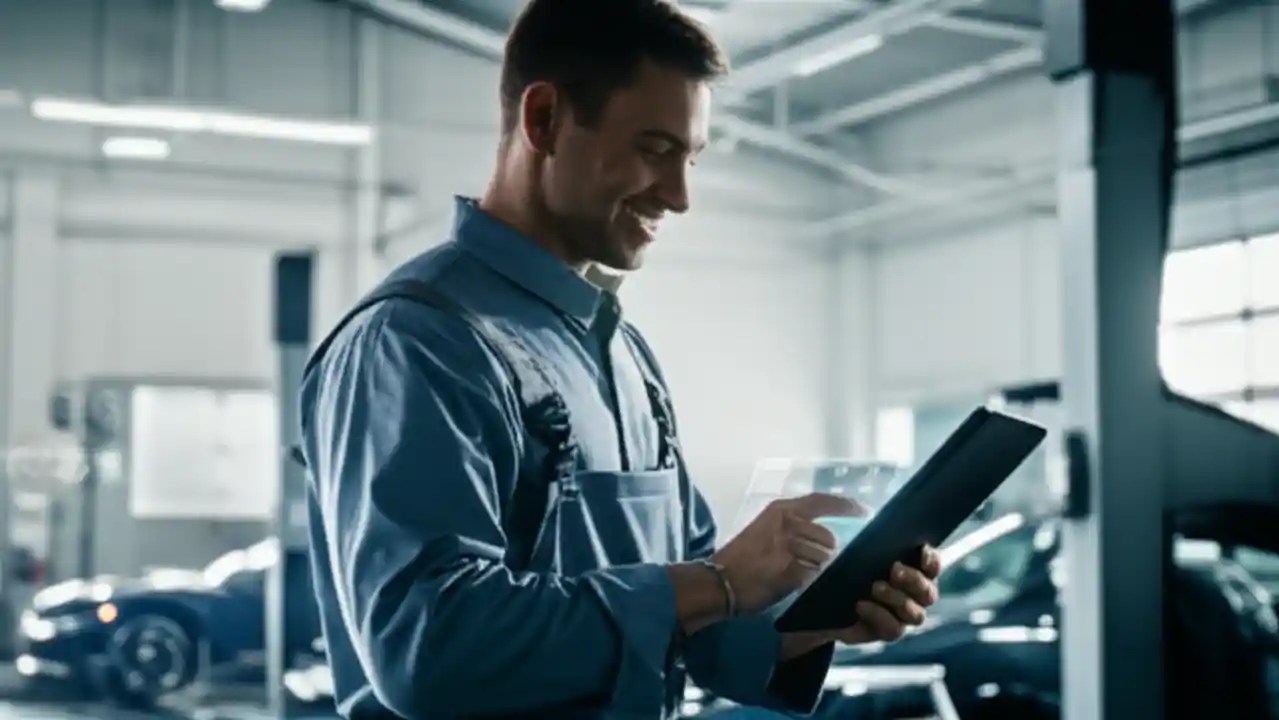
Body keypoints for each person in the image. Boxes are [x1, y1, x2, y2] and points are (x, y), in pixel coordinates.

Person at [298, 1, 942, 717]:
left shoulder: (623, 358)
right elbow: (428, 649)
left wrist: (818, 614)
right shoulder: (420, 342)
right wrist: (719, 580)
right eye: (655, 150)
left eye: (690, 158)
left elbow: (695, 626)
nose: (681, 196)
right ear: (543, 121)